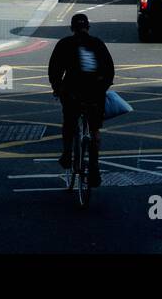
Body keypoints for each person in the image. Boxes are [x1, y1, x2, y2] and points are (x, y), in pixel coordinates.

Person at [48, 13, 115, 181]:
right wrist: (103, 87)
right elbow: (109, 69)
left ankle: (66, 153)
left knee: (69, 122)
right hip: (95, 92)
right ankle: (94, 167)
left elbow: (55, 69)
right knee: (95, 131)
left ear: (72, 28)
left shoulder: (65, 44)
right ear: (88, 27)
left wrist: (56, 88)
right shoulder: (97, 43)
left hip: (73, 91)